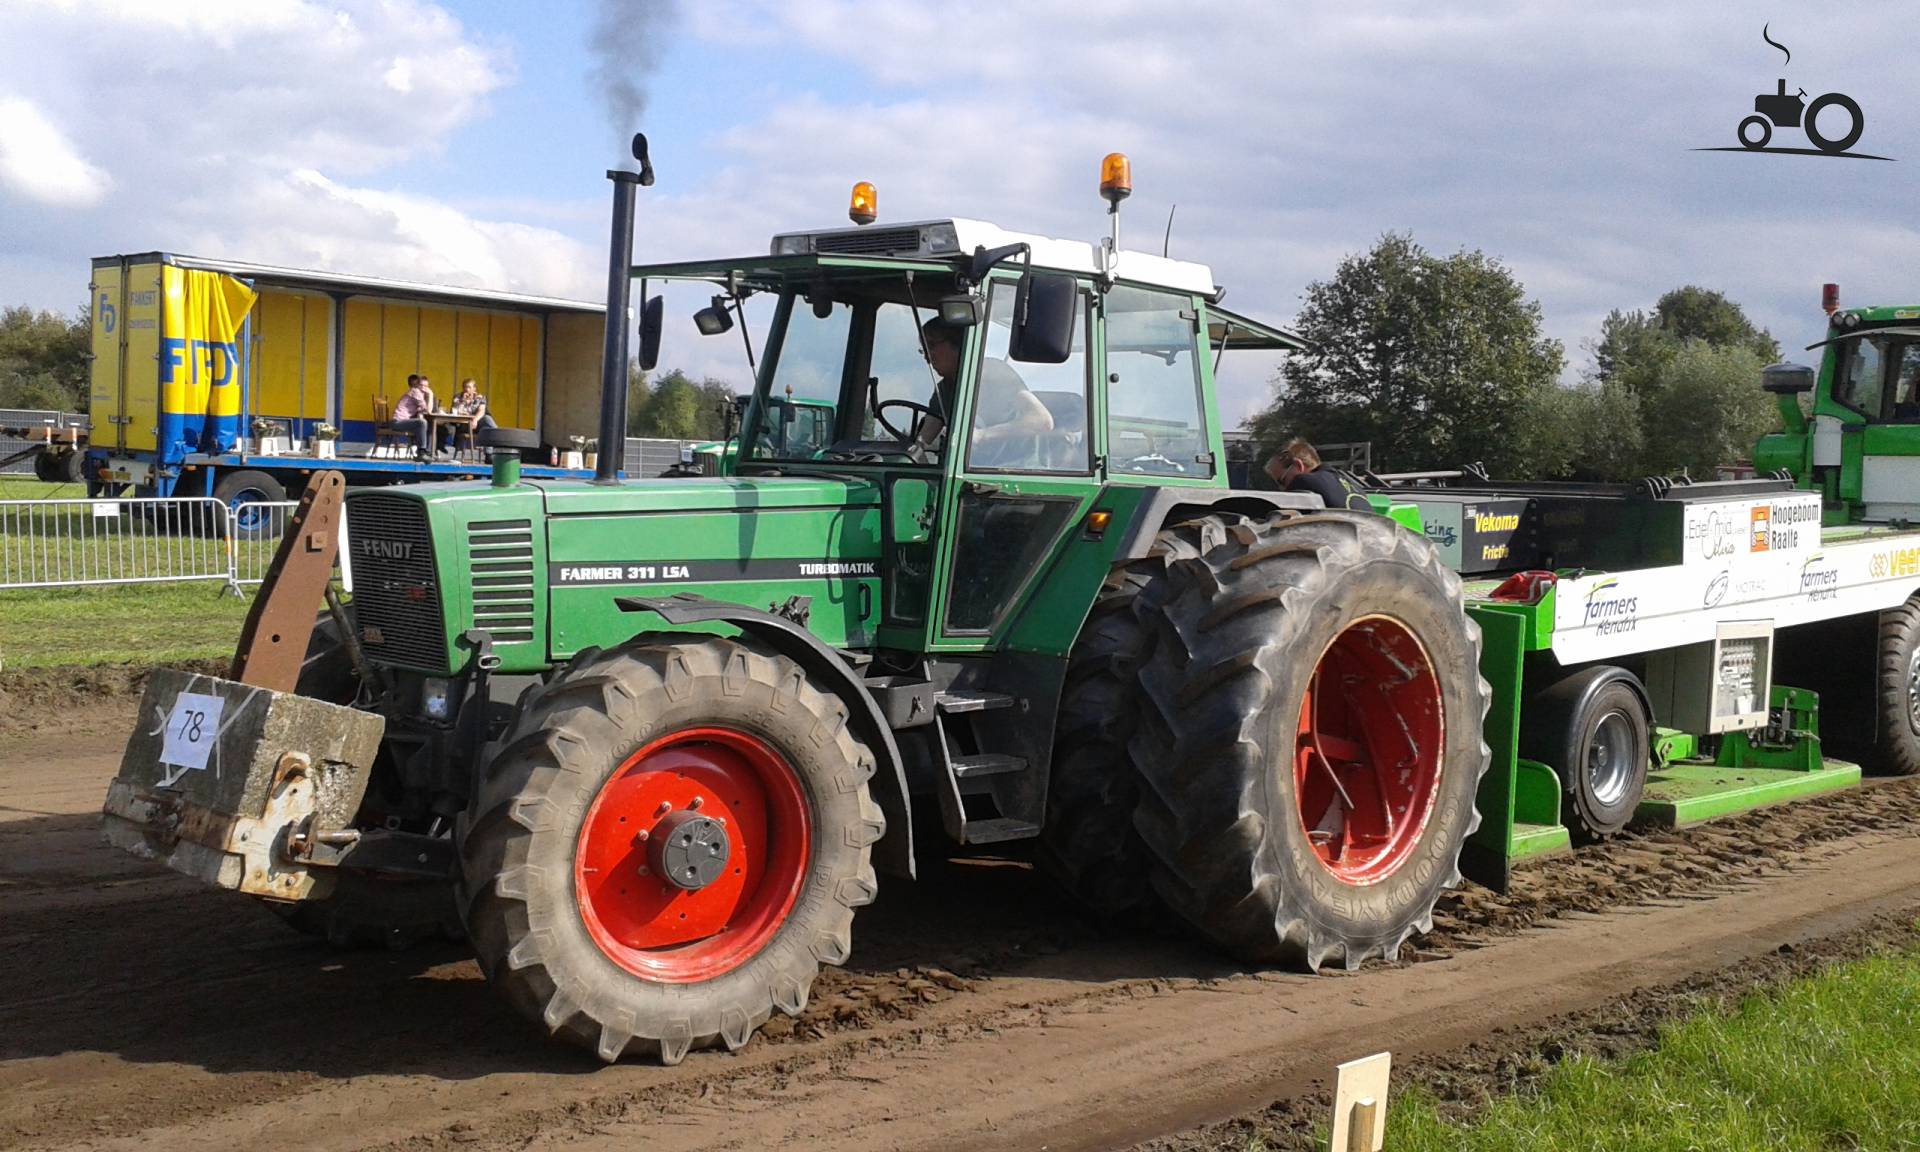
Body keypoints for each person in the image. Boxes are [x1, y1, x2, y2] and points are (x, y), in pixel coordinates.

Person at [919, 319, 1052, 467]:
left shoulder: (993, 373)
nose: (927, 357)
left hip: (1018, 473)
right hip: (972, 476)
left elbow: (1042, 420)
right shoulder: (944, 389)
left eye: (931, 346)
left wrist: (982, 436)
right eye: (923, 349)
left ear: (957, 343)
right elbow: (923, 440)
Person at [1265, 438, 1371, 511]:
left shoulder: (1303, 482)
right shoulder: (1356, 487)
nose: (1282, 489)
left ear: (1298, 465)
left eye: (1281, 481)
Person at [390, 373, 435, 458]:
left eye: (426, 386)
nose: (424, 388)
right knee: (422, 423)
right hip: (397, 422)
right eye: (421, 385)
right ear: (418, 385)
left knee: (424, 425)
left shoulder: (414, 392)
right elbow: (428, 410)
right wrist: (431, 394)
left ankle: (421, 452)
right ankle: (421, 452)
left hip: (399, 421)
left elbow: (421, 410)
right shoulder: (415, 391)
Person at [444, 377, 496, 450]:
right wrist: (462, 401)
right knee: (486, 428)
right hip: (463, 424)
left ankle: (489, 452)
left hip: (476, 424)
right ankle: (497, 438)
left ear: (474, 388)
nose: (467, 389)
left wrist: (475, 420)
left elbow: (482, 411)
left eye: (469, 387)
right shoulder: (457, 397)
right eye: (465, 387)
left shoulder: (480, 397)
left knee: (487, 423)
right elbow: (454, 412)